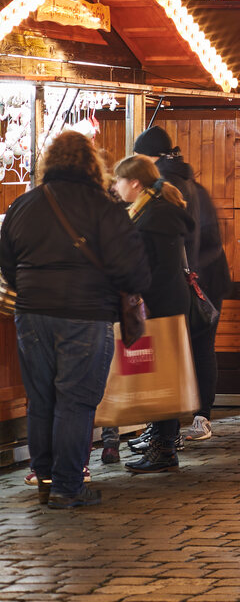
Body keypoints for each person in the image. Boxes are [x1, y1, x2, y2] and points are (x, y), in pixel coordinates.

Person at [0, 132, 150, 508]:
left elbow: (7, 262)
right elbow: (132, 270)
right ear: (91, 164)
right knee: (76, 401)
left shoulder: (24, 204)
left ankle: (46, 478)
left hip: (32, 314)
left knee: (41, 399)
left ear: (49, 162)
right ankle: (68, 486)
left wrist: (32, 291)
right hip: (86, 313)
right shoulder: (105, 206)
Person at [133, 126, 228, 443]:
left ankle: (164, 432)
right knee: (201, 350)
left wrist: (188, 274)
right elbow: (213, 239)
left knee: (171, 355)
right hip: (207, 282)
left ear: (151, 158)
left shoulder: (162, 189)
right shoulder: (193, 185)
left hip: (188, 284)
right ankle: (197, 419)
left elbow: (172, 245)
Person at [106, 155, 196, 474]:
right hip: (159, 302)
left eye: (118, 180)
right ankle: (159, 443)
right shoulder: (147, 209)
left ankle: (164, 450)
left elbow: (164, 267)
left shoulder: (157, 214)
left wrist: (143, 295)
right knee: (159, 376)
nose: (115, 187)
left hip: (162, 305)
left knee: (164, 378)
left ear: (135, 182)